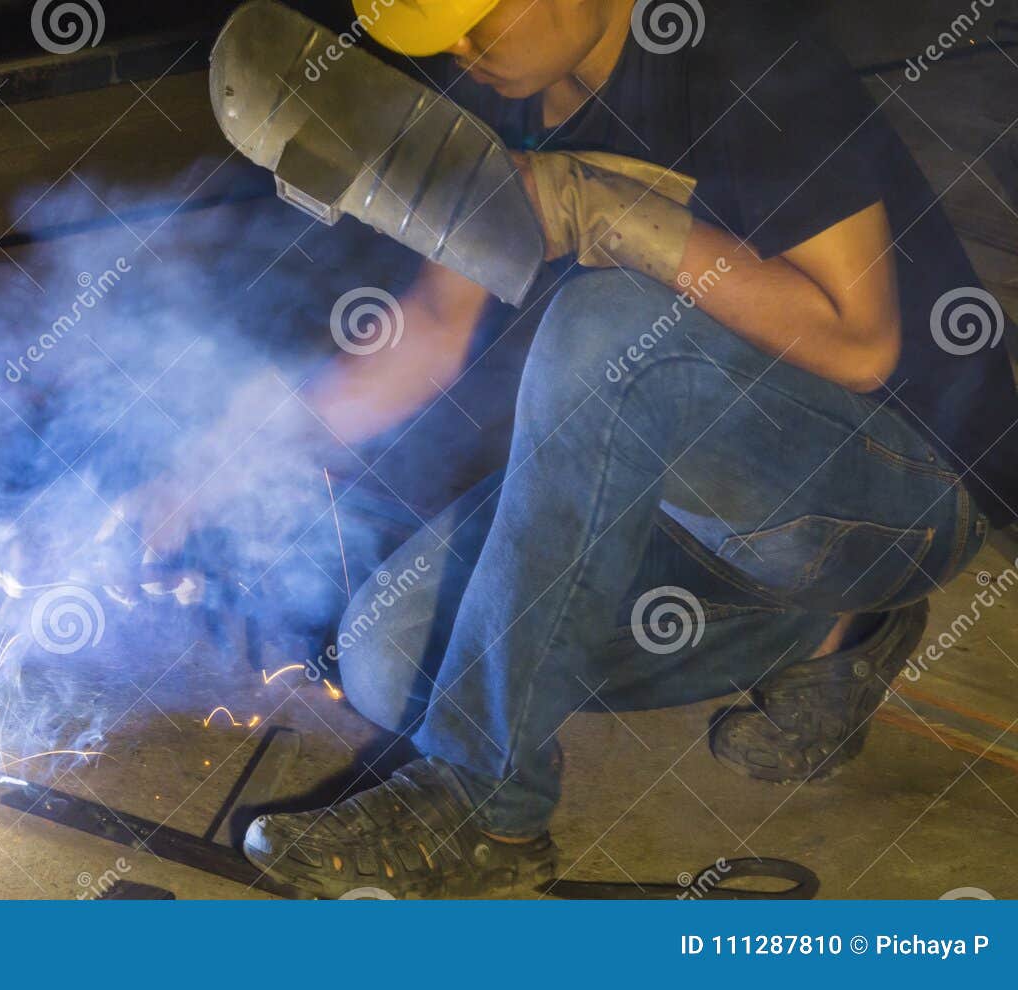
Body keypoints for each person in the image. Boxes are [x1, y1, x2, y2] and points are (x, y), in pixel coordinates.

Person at [121, 0, 1017, 898]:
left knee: (609, 327)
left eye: (480, 22)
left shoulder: (745, 48)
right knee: (390, 660)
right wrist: (226, 457)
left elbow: (860, 347)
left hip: (901, 482)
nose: (464, 53)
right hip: (701, 517)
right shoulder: (505, 98)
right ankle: (831, 626)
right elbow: (430, 331)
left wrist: (602, 210)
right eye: (445, 39)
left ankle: (485, 807)